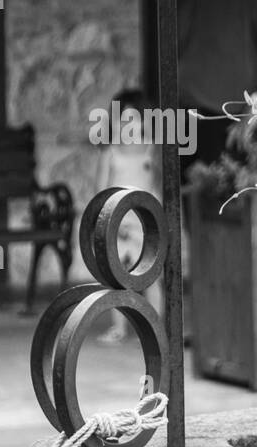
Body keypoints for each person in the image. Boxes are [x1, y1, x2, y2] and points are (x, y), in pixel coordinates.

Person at [94, 89, 162, 346]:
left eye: (134, 118)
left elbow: (157, 187)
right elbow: (101, 189)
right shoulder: (110, 152)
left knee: (153, 277)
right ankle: (119, 329)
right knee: (116, 277)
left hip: (146, 221)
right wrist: (109, 220)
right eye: (124, 118)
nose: (129, 124)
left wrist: (157, 219)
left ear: (145, 120)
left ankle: (156, 327)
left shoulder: (152, 150)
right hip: (118, 220)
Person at [178, 0, 257, 172]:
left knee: (224, 194)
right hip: (183, 118)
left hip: (230, 127)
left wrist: (256, 106)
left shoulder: (256, 4)